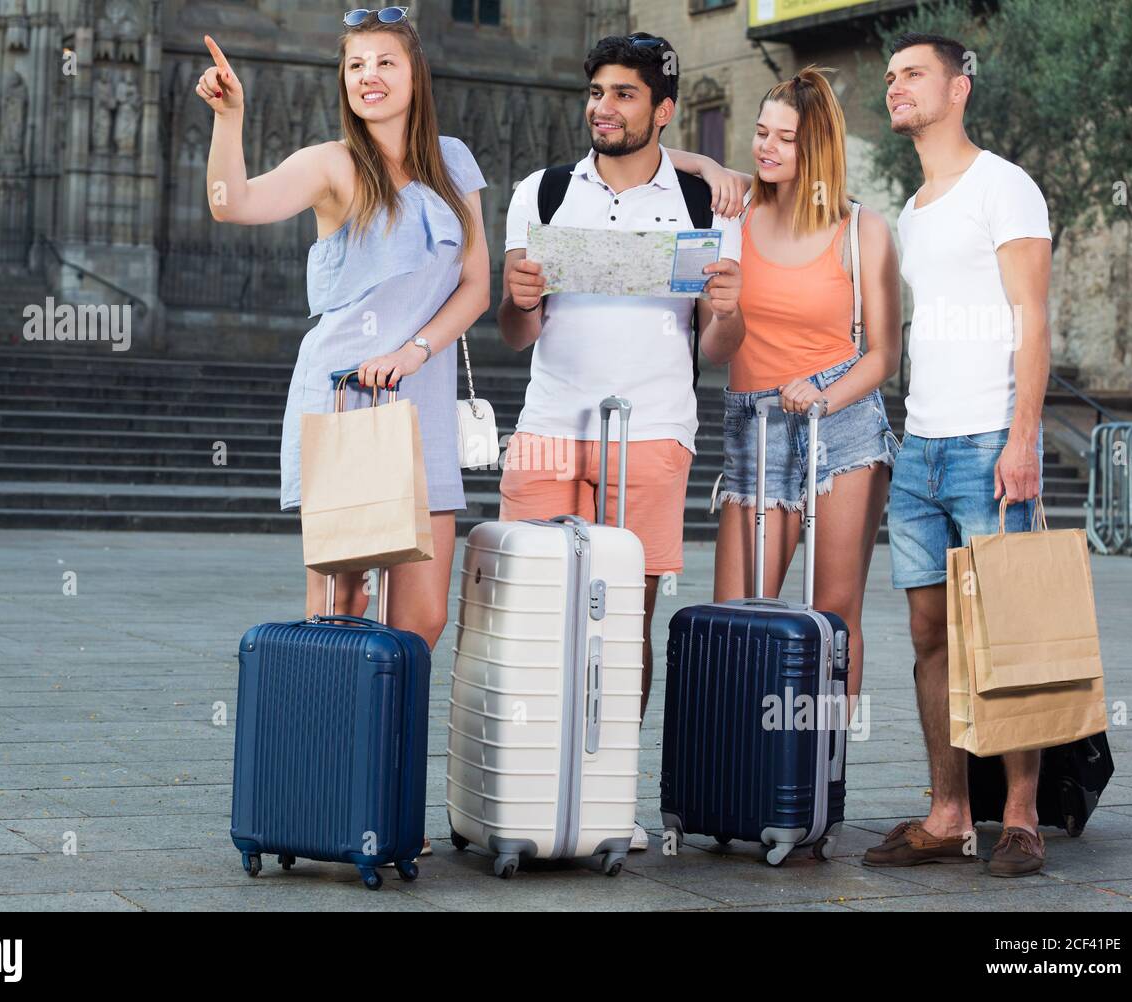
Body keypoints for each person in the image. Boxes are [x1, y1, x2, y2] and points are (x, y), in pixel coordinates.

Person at [199, 9, 491, 855]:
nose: (370, 76)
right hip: (344, 400)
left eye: (385, 62)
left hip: (420, 396)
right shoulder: (332, 165)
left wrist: (415, 349)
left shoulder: (453, 164)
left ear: (413, 74)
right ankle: (329, 793)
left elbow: (476, 284)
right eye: (357, 65)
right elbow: (234, 205)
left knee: (424, 613)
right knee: (341, 601)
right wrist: (230, 121)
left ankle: (382, 778)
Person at [498, 32, 745, 852]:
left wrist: (731, 309)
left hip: (653, 430)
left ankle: (605, 798)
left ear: (663, 110)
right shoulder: (542, 191)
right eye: (596, 91)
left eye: (624, 94)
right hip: (544, 427)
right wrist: (520, 297)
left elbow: (715, 349)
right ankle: (529, 794)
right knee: (528, 616)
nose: (604, 107)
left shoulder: (708, 205)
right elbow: (514, 335)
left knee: (622, 619)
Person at [863, 32, 1052, 877]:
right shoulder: (915, 206)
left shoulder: (1003, 187)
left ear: (959, 88)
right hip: (922, 448)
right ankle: (948, 814)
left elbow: (1033, 319)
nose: (896, 87)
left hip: (988, 441)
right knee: (929, 635)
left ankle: (1020, 817)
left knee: (1009, 632)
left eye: (913, 75)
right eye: (892, 77)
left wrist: (1021, 439)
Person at [673, 66, 901, 714]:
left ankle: (820, 772)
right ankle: (743, 771)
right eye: (759, 132)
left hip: (842, 421)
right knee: (735, 614)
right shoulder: (733, 210)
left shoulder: (863, 230)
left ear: (818, 146)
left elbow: (885, 352)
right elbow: (716, 349)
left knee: (834, 610)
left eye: (785, 138)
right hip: (754, 422)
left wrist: (825, 395)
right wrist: (708, 168)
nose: (766, 148)